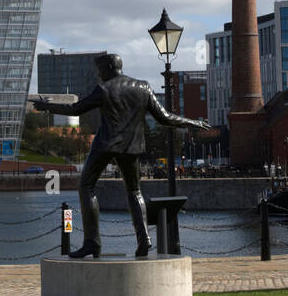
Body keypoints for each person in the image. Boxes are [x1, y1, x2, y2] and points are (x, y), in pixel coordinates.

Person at [34, 53, 209, 258]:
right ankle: (144, 239)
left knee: (86, 186)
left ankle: (92, 242)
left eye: (99, 69)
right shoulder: (143, 87)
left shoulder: (104, 89)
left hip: (106, 144)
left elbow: (76, 109)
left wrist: (47, 106)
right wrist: (193, 123)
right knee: (134, 191)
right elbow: (165, 117)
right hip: (131, 147)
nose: (98, 74)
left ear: (108, 67)